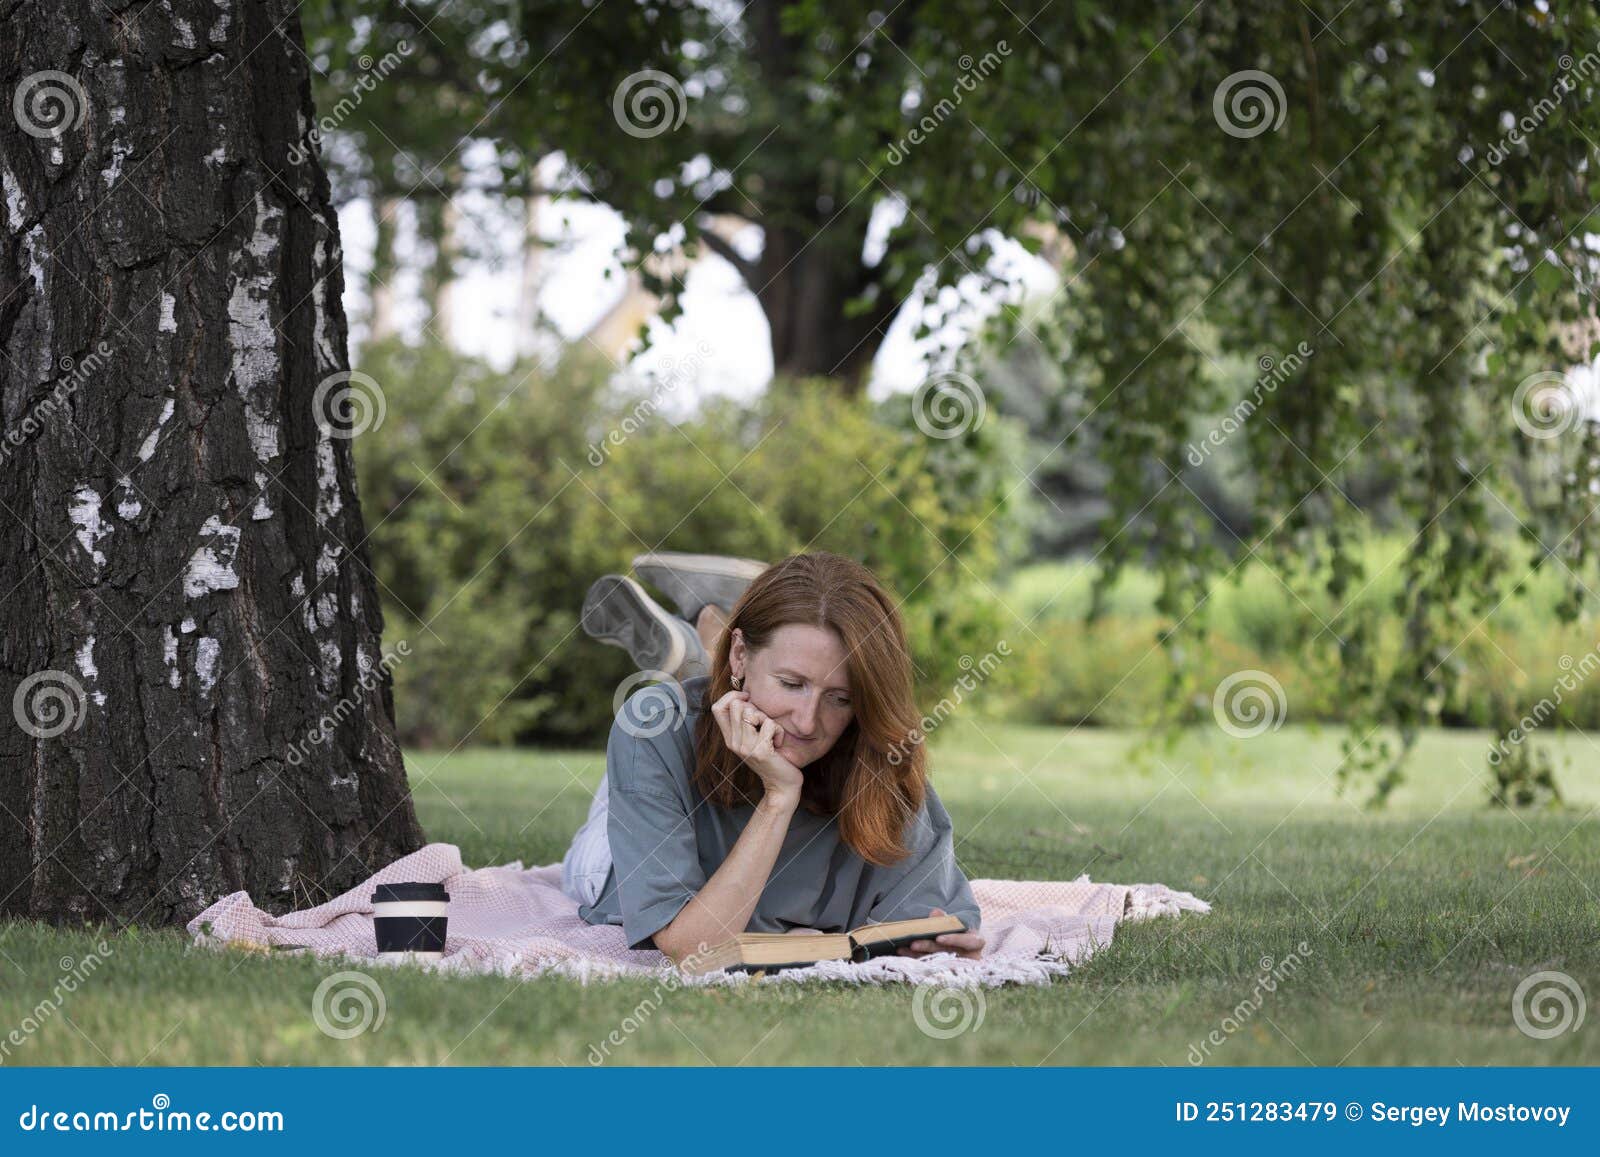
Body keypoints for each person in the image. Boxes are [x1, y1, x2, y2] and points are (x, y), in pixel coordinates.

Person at [561, 550, 985, 964]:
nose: (806, 722)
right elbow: (692, 950)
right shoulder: (655, 730)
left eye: (840, 698)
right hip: (619, 844)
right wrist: (779, 797)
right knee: (670, 724)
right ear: (741, 655)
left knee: (699, 704)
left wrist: (934, 942)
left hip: (719, 699)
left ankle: (705, 644)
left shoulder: (875, 748)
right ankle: (704, 652)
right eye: (791, 683)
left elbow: (939, 917)